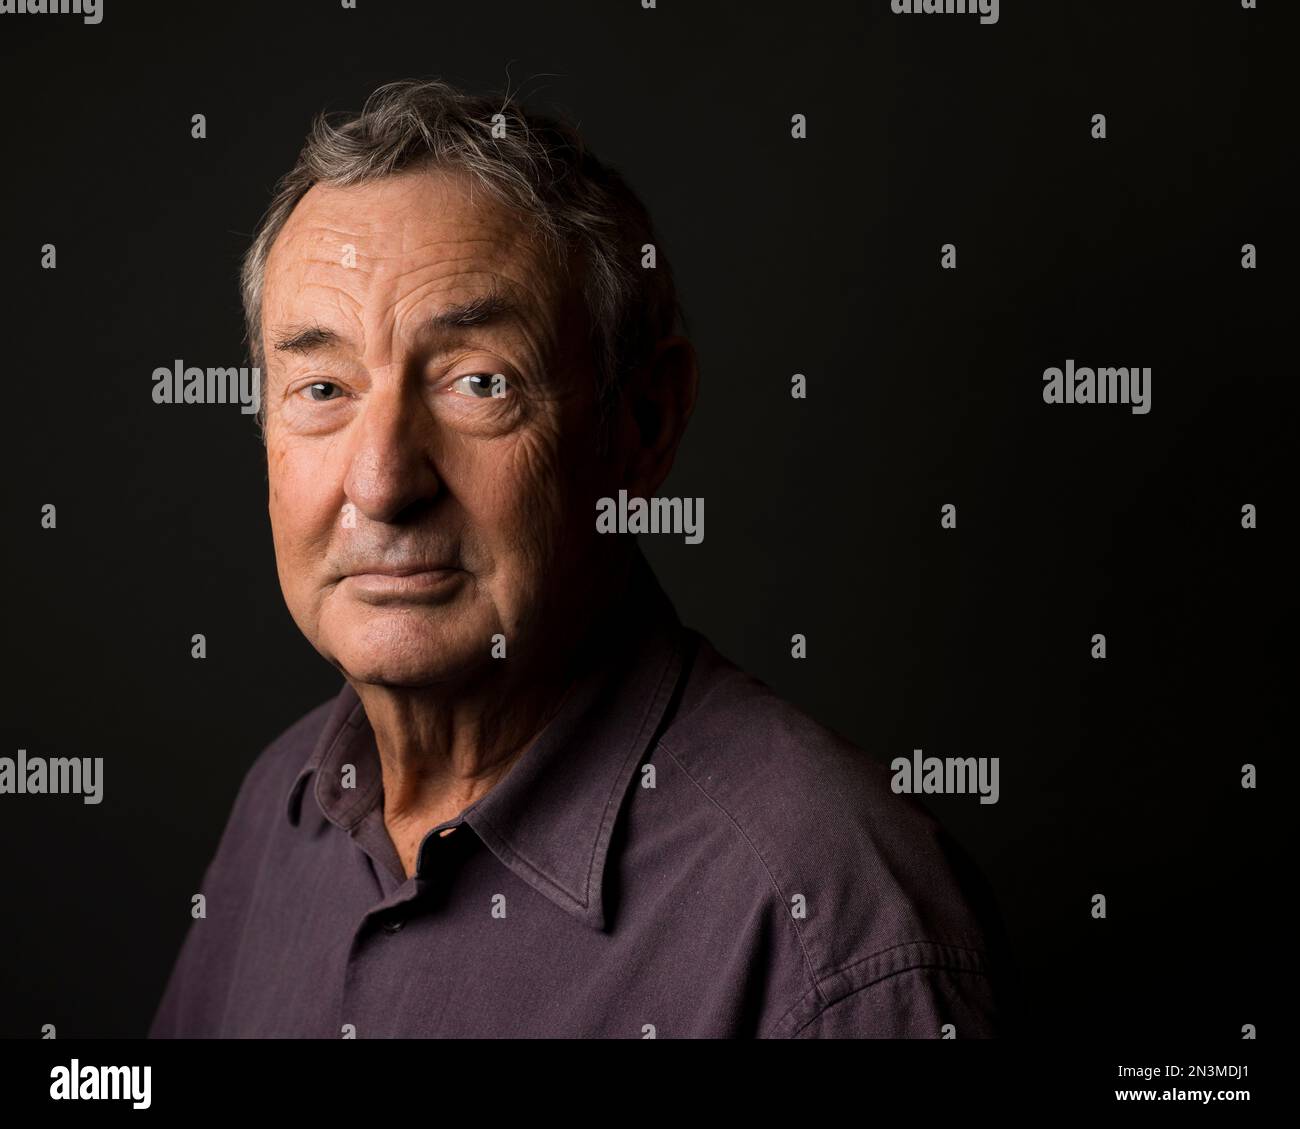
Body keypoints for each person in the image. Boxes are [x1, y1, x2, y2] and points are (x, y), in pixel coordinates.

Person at [149, 78, 1010, 1038]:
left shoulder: (831, 934)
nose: (384, 481)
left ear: (641, 426)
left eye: (481, 382)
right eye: (321, 386)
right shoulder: (282, 806)